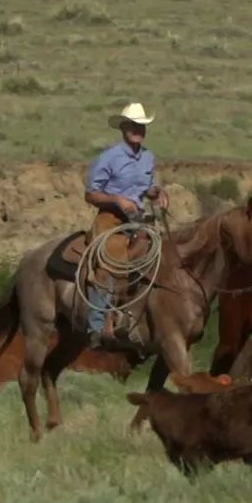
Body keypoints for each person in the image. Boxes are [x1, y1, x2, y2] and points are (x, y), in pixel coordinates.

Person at [84, 102, 170, 346]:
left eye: (141, 126)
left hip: (137, 219)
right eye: (133, 125)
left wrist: (158, 193)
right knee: (112, 259)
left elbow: (147, 188)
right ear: (123, 128)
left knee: (159, 257)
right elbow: (91, 194)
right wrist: (116, 200)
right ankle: (96, 325)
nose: (137, 130)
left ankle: (144, 319)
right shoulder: (109, 158)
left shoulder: (148, 157)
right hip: (110, 218)